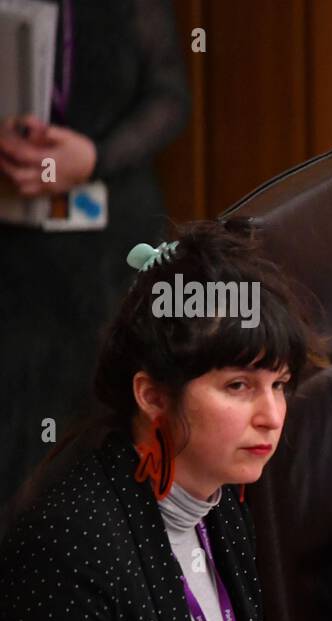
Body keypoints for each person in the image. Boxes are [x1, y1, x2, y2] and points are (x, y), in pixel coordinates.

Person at [0, 222, 327, 621]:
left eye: (280, 384)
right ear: (151, 395)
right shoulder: (73, 544)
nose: (271, 415)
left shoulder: (219, 494)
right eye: (238, 386)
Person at [0, 0, 191, 538]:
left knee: (110, 415)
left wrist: (94, 158)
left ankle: (107, 572)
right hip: (17, 253)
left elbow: (171, 99)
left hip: (113, 242)